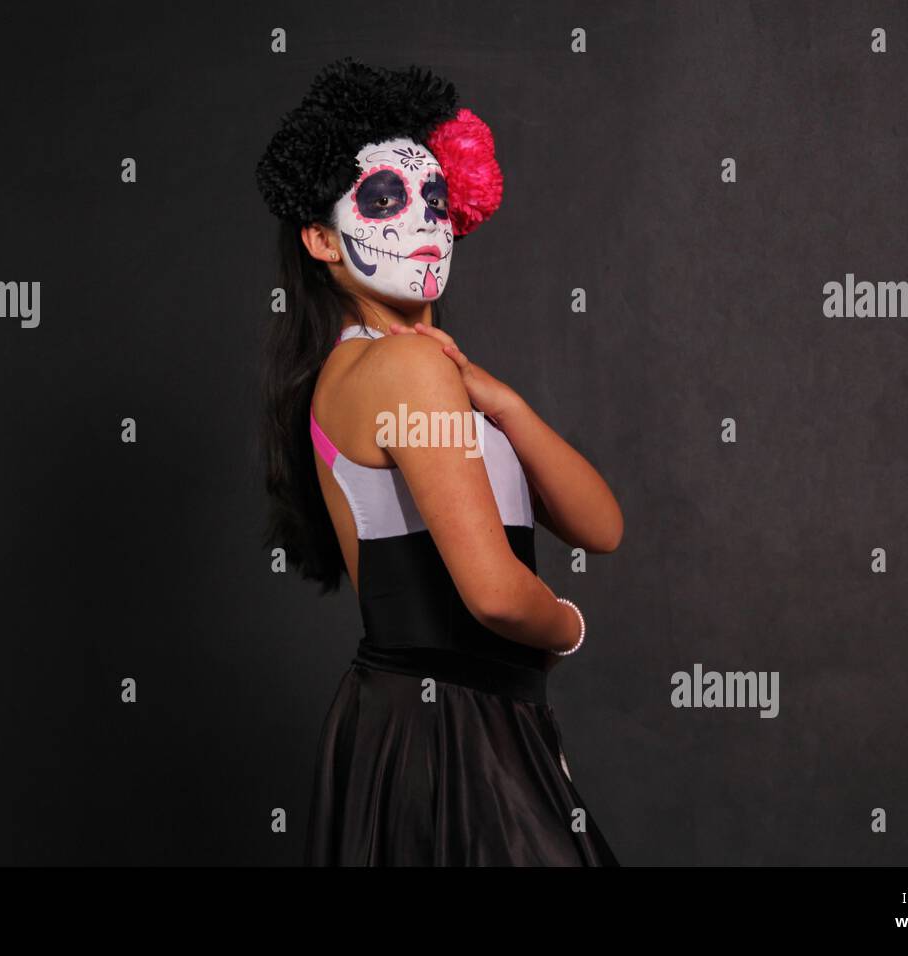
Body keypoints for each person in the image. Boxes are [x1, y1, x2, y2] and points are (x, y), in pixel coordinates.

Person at [256, 57, 623, 865]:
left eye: (434, 199)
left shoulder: (393, 370)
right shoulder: (404, 370)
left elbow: (601, 526)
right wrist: (568, 625)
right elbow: (494, 596)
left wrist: (509, 405)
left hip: (419, 723)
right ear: (320, 239)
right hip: (455, 727)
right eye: (382, 199)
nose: (424, 220)